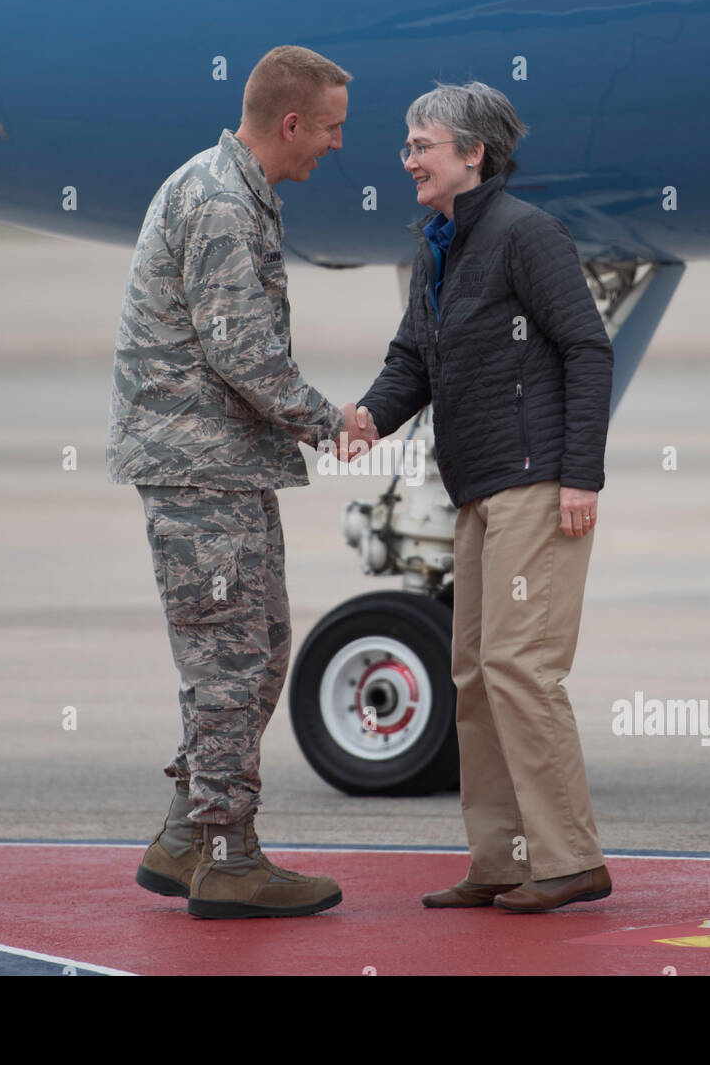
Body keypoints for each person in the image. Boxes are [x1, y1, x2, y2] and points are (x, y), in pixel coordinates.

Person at [106, 45, 377, 918]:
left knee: (259, 650)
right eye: (332, 128)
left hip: (224, 465)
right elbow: (241, 351)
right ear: (291, 123)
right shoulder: (221, 203)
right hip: (199, 470)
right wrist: (329, 420)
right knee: (229, 663)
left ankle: (189, 830)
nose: (338, 146)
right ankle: (228, 857)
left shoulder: (231, 189)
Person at [355, 81, 615, 912]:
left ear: (474, 154)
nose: (409, 160)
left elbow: (587, 347)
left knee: (519, 665)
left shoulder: (525, 234)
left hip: (535, 482)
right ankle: (501, 858)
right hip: (475, 488)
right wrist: (364, 418)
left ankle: (570, 855)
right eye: (407, 145)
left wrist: (581, 474)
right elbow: (410, 362)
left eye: (422, 144)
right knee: (472, 673)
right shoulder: (438, 242)